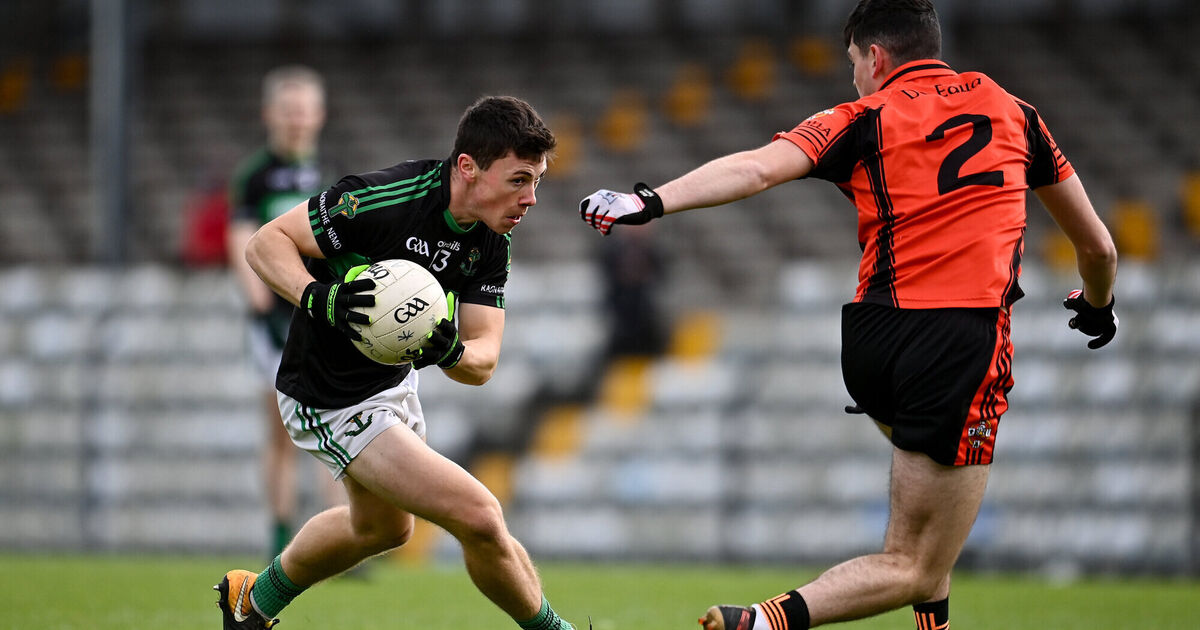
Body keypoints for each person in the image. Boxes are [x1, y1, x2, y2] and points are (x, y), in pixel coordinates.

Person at [578, 1, 1118, 629]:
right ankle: (761, 621)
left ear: (877, 57)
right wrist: (1098, 305)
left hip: (871, 340)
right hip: (960, 337)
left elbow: (755, 168)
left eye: (854, 63)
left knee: (930, 532)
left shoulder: (862, 116)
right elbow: (1098, 248)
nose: (855, 76)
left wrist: (649, 201)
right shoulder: (1017, 114)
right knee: (915, 561)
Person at [214, 95, 577, 630]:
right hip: (328, 395)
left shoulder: (490, 243)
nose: (531, 197)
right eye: (519, 180)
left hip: (390, 385)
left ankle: (252, 602)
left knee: (383, 530)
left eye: (537, 182)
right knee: (479, 516)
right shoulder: (382, 199)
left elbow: (483, 360)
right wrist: (321, 297)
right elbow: (267, 245)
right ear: (468, 168)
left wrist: (450, 350)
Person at [226, 64, 344, 559]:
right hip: (277, 319)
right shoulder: (256, 176)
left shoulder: (328, 176)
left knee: (336, 425)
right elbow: (241, 241)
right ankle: (281, 532)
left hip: (320, 314)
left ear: (319, 115)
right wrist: (261, 303)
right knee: (281, 429)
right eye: (288, 110)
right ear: (269, 114)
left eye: (304, 110)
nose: (297, 120)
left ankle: (336, 536)